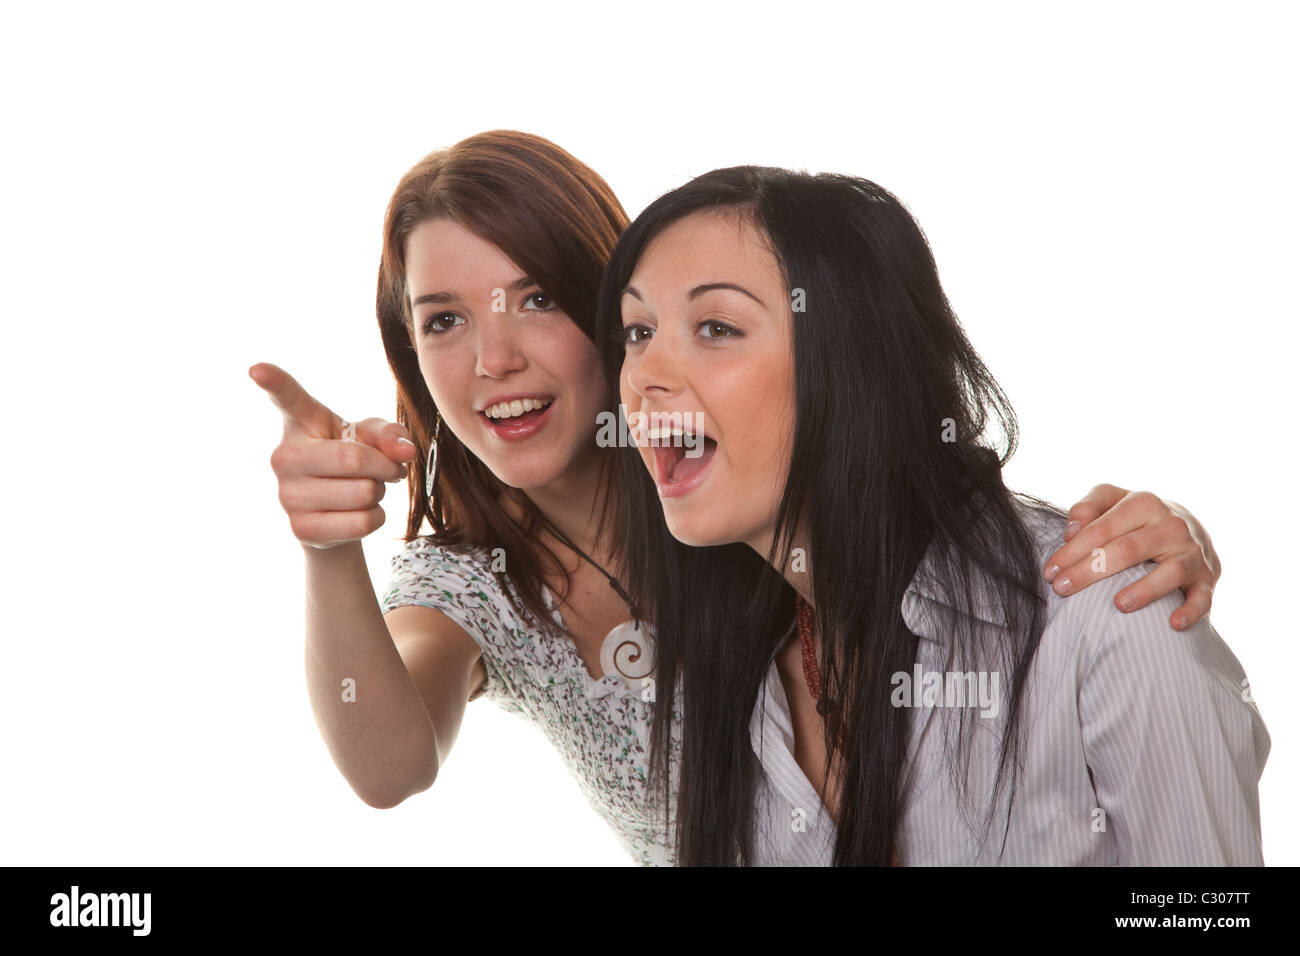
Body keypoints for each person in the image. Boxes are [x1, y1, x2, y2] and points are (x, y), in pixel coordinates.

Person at [251, 131, 1229, 866]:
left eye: (537, 298)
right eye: (442, 321)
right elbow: (386, 764)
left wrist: (1150, 539)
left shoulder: (740, 480)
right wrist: (328, 549)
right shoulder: (478, 576)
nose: (493, 357)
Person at [597, 165, 1269, 865]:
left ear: (855, 361)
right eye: (637, 331)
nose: (644, 377)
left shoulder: (1108, 614)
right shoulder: (736, 683)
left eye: (715, 327)